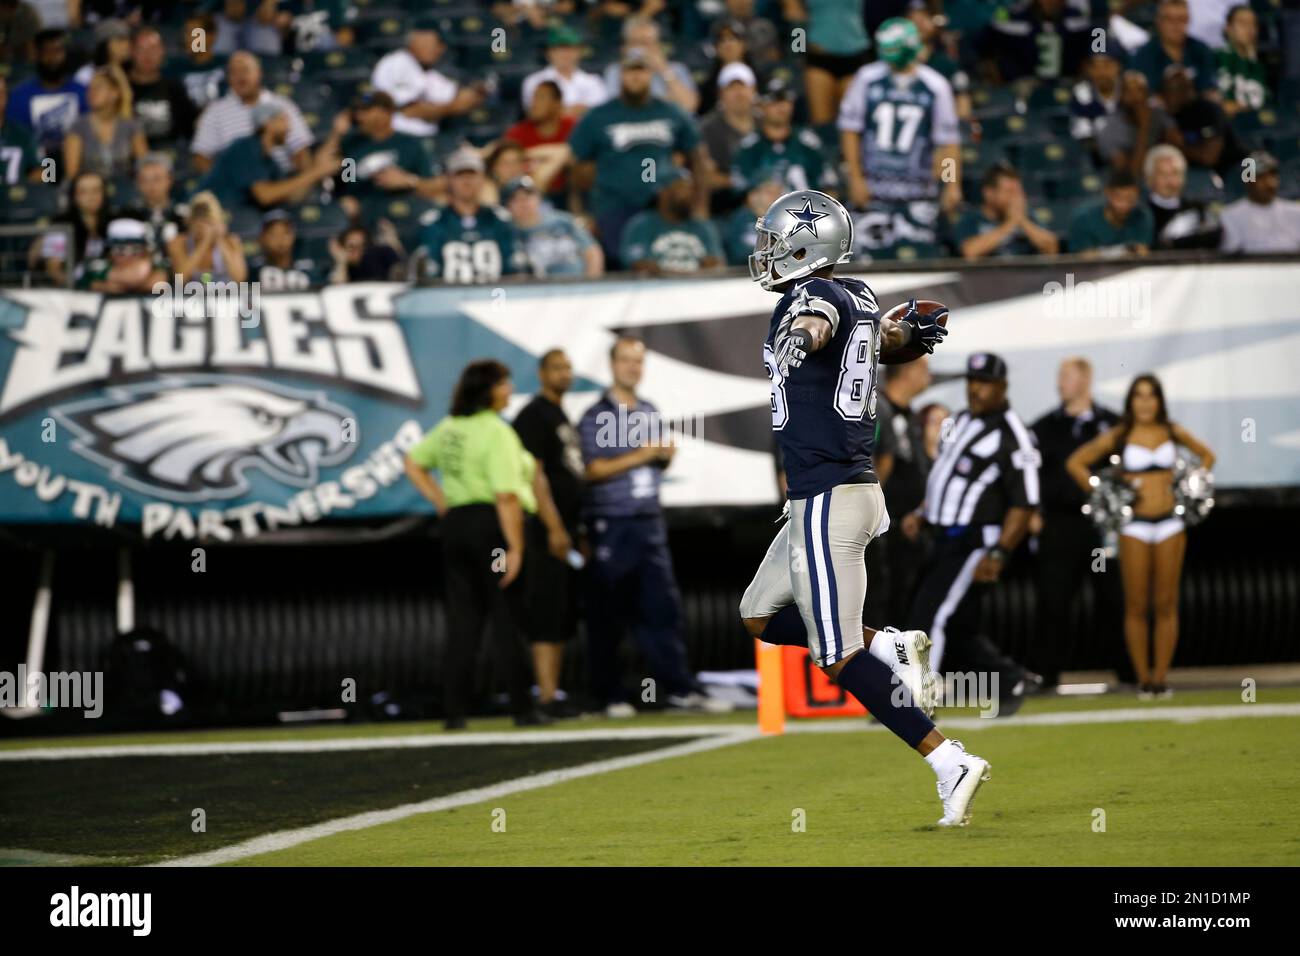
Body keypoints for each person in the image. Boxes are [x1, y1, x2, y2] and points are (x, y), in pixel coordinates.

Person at [736, 187, 993, 828]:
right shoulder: (862, 295)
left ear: (804, 245)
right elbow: (889, 337)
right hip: (830, 492)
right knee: (760, 616)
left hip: (828, 494)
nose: (766, 253)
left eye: (775, 242)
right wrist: (910, 335)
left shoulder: (810, 298)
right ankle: (892, 645)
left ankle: (948, 760)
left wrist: (806, 332)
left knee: (836, 656)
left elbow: (819, 318)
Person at [404, 359, 566, 729]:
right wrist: (515, 548)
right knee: (507, 616)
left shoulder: (448, 428)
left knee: (464, 623)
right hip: (492, 530)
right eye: (504, 383)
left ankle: (454, 713)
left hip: (457, 528)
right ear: (487, 390)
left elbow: (412, 463)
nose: (509, 389)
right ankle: (524, 709)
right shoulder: (497, 432)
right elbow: (507, 496)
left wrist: (442, 501)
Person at [579, 336, 730, 717]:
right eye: (626, 360)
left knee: (663, 610)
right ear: (612, 364)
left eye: (638, 361)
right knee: (608, 613)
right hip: (613, 523)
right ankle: (610, 694)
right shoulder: (596, 414)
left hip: (649, 523)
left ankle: (678, 688)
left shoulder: (648, 409)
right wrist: (642, 454)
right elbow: (592, 470)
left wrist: (662, 459)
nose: (633, 367)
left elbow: (649, 465)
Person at [904, 352, 1043, 715]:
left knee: (929, 615)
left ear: (1002, 387)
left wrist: (999, 552)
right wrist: (922, 512)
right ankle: (1010, 679)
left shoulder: (1014, 434)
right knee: (959, 626)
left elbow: (1025, 502)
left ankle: (916, 704)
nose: (975, 390)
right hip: (944, 534)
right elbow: (945, 474)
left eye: (983, 383)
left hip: (975, 541)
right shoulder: (961, 420)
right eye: (971, 382)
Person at [1067, 374, 1216, 699]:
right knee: (1136, 604)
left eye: (1151, 396)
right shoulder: (1121, 433)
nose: (1145, 402)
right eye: (1139, 396)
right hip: (1133, 525)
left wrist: (1187, 486)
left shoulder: (1171, 431)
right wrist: (1104, 491)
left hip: (1170, 525)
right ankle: (1143, 679)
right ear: (1130, 402)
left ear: (1160, 401)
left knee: (1165, 603)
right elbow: (1076, 463)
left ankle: (1161, 678)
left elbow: (1208, 456)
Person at [1029, 357, 1123, 691]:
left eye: (1067, 376)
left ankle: (1128, 671)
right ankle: (1047, 674)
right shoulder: (1042, 429)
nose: (1060, 383)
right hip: (1059, 524)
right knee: (1053, 600)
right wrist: (1033, 512)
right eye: (1060, 377)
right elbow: (1030, 475)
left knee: (1114, 597)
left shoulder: (1112, 426)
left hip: (1102, 526)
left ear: (1085, 379)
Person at [569, 46, 706, 271]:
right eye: (630, 70)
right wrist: (582, 212)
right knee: (627, 264)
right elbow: (576, 167)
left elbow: (697, 157)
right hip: (614, 205)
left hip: (662, 207)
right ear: (620, 74)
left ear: (650, 74)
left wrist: (700, 205)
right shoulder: (598, 116)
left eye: (641, 70)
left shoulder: (670, 112)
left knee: (669, 265)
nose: (635, 76)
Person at [838, 18, 961, 255]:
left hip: (918, 192)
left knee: (921, 258)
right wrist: (855, 178)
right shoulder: (867, 78)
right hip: (874, 189)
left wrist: (951, 184)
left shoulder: (935, 85)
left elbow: (947, 142)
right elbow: (850, 130)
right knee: (864, 259)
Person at [512, 349, 585, 718]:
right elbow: (533, 473)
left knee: (559, 613)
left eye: (568, 366)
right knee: (544, 612)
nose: (565, 373)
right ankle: (544, 696)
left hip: (566, 530)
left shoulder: (559, 415)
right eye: (557, 367)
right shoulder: (534, 415)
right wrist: (554, 527)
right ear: (541, 374)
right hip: (544, 531)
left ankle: (553, 694)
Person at [872, 356, 934, 626]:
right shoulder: (878, 410)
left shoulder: (912, 415)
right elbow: (875, 460)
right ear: (908, 370)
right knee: (884, 606)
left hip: (913, 530)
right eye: (925, 368)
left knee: (911, 606)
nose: (928, 375)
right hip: (888, 530)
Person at [202, 102, 343, 212]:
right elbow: (265, 196)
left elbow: (292, 196)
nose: (289, 126)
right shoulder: (245, 147)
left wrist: (317, 170)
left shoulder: (269, 161)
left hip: (231, 216)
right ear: (267, 123)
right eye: (283, 119)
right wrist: (316, 172)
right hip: (202, 213)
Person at [190, 51, 314, 174]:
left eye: (245, 70)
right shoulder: (215, 112)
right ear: (228, 78)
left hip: (281, 179)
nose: (240, 77)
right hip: (236, 182)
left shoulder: (283, 105)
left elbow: (301, 150)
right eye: (234, 72)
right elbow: (201, 157)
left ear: (259, 73)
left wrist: (299, 184)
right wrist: (224, 183)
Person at [417, 147, 525, 284]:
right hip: (446, 301)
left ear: (482, 179)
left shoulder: (500, 220)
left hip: (495, 299)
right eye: (460, 175)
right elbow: (428, 275)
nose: (467, 181)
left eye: (472, 174)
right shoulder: (433, 222)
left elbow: (514, 272)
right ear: (449, 179)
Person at [334, 90, 442, 219]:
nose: (360, 116)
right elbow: (347, 182)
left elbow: (436, 186)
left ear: (387, 112)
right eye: (357, 112)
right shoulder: (351, 145)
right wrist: (336, 134)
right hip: (364, 214)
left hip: (404, 211)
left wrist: (408, 181)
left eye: (366, 111)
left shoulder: (411, 144)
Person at [370, 22, 485, 139]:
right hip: (397, 137)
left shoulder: (430, 73)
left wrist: (477, 92)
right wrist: (452, 107)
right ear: (418, 40)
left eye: (443, 45)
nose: (441, 50)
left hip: (426, 140)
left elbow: (457, 97)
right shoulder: (396, 63)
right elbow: (410, 111)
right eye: (437, 43)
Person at [621, 169, 724, 275]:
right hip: (655, 289)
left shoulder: (703, 226)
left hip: (698, 289)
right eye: (682, 188)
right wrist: (677, 276)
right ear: (663, 193)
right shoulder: (641, 225)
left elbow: (715, 263)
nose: (690, 195)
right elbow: (639, 264)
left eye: (691, 189)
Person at [786, 0, 870, 126]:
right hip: (819, 57)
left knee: (853, 123)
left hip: (855, 54)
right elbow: (794, 14)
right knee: (821, 126)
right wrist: (799, 52)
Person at [5, 28, 87, 157]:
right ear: (37, 56)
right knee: (48, 170)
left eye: (58, 51)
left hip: (78, 158)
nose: (53, 58)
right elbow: (18, 137)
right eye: (47, 52)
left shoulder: (82, 92)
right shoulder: (20, 96)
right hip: (38, 162)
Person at [504, 175, 603, 279]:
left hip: (578, 285)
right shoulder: (507, 232)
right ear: (507, 205)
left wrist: (590, 284)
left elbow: (592, 252)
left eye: (528, 196)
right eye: (516, 199)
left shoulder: (563, 221)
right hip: (536, 291)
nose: (524, 203)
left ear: (539, 198)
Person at [954, 163, 1060, 259]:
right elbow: (970, 252)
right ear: (989, 193)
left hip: (1026, 277)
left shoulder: (1029, 216)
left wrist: (1023, 221)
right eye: (1009, 192)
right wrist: (1010, 224)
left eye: (1018, 192)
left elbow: (1052, 248)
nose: (1015, 198)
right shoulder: (971, 219)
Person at [601, 16, 698, 115]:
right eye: (637, 42)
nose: (643, 48)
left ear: (658, 45)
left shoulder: (676, 69)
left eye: (648, 43)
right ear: (625, 47)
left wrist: (664, 70)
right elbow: (614, 109)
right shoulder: (615, 71)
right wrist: (667, 100)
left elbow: (689, 106)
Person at [63, 65, 147, 180]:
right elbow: (72, 174)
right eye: (90, 89)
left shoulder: (131, 125)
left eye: (97, 88)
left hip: (125, 188)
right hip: (88, 190)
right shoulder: (78, 126)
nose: (91, 93)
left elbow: (144, 166)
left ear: (114, 93)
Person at [128, 25, 199, 146]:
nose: (147, 55)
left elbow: (191, 126)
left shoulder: (174, 88)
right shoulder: (120, 87)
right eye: (142, 49)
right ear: (132, 52)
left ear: (162, 51)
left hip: (170, 154)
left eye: (153, 49)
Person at [1218, 151, 1300, 254]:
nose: (1269, 183)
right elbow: (1229, 258)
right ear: (1248, 181)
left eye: (1272, 176)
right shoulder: (1231, 215)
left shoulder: (1296, 212)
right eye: (1261, 177)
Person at [1144, 143, 1221, 250]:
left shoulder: (1198, 211)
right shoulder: (1140, 215)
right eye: (1163, 174)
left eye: (1175, 173)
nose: (1170, 181)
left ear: (1184, 178)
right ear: (1149, 179)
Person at [1132, 0, 1217, 95]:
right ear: (1158, 21)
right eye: (1169, 19)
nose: (1175, 25)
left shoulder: (1201, 51)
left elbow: (1210, 90)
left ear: (1188, 20)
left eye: (1181, 19)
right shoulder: (1143, 55)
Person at [521, 24, 607, 118]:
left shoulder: (593, 81)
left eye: (571, 48)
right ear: (549, 52)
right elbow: (537, 114)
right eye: (560, 48)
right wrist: (578, 110)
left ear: (580, 52)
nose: (566, 54)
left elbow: (598, 114)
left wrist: (557, 110)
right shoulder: (534, 81)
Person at [41, 170, 110, 286]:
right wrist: (80, 286)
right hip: (74, 291)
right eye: (84, 192)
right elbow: (53, 270)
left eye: (96, 190)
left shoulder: (112, 223)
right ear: (74, 197)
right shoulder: (61, 226)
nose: (91, 197)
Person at [1068, 167, 1154, 257]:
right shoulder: (1083, 219)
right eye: (1119, 198)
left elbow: (1142, 253)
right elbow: (1082, 258)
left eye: (1130, 199)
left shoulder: (1143, 216)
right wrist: (1121, 251)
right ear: (1107, 193)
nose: (1124, 205)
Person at [166, 190, 248, 284]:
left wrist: (219, 240)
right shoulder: (178, 243)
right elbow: (180, 279)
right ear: (190, 222)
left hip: (225, 296)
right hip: (191, 296)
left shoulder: (231, 241)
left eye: (208, 222)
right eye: (199, 223)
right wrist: (204, 243)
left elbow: (239, 278)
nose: (204, 228)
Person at [77, 215, 167, 293]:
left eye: (135, 250)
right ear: (109, 252)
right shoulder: (96, 268)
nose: (127, 257)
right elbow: (90, 284)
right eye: (120, 250)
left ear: (144, 251)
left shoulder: (154, 265)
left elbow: (158, 282)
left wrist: (113, 285)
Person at [247, 209, 322, 290]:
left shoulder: (307, 268)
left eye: (286, 233)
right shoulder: (253, 272)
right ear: (262, 238)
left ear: (293, 236)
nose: (280, 239)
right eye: (273, 234)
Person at [1216, 4, 1269, 116]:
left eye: (1253, 24)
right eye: (1242, 23)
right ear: (1228, 28)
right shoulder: (1218, 57)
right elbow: (1223, 106)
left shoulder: (1260, 65)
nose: (1249, 29)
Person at [0, 74, 42, 184]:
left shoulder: (24, 134)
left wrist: (23, 190)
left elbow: (46, 171)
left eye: (2, 93)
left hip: (15, 198)